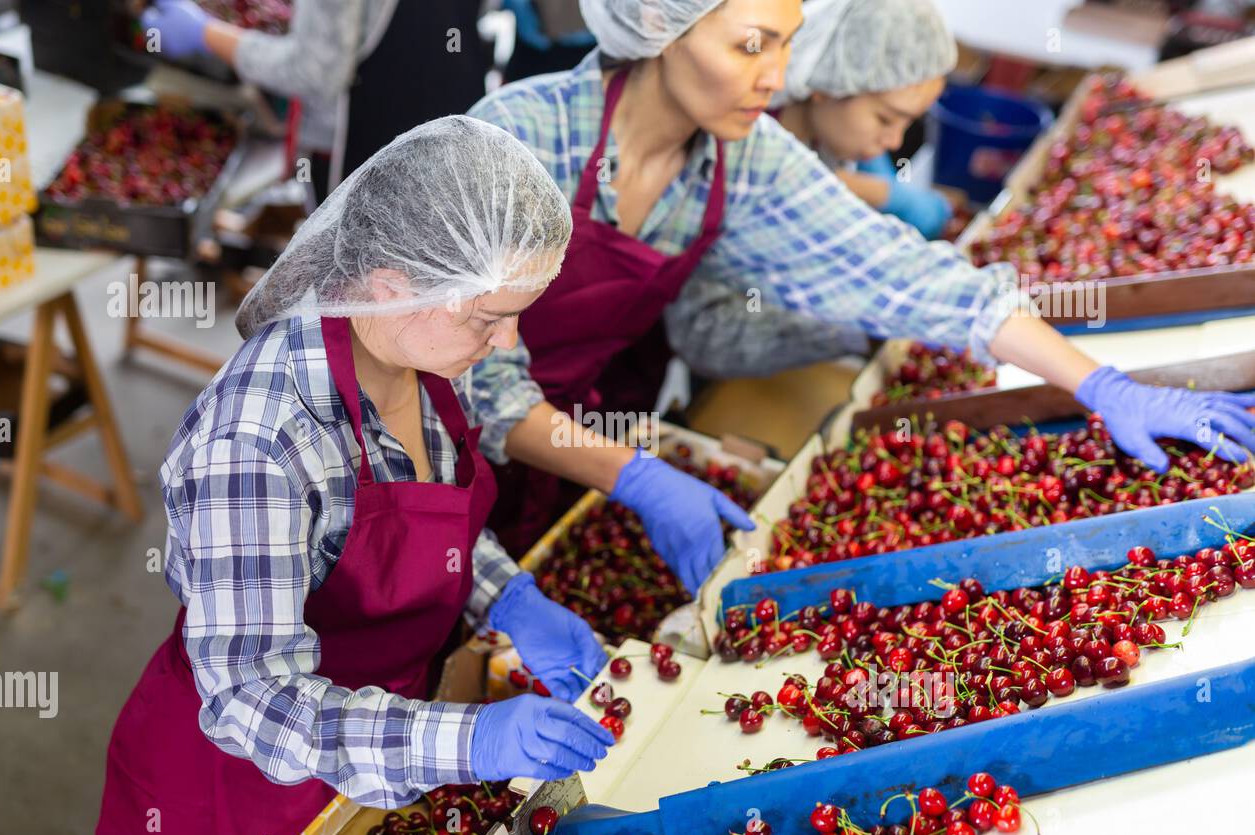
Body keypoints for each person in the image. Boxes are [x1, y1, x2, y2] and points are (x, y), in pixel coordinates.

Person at [467, 0, 1255, 555]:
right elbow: (478, 385)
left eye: (788, 41)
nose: (777, 76)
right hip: (432, 449)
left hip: (577, 434)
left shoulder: (739, 158)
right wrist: (633, 473)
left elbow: (901, 272)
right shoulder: (520, 140)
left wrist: (1103, 387)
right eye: (751, 46)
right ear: (658, 26)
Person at [95, 118, 618, 835]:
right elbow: (254, 699)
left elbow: (427, 525)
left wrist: (507, 596)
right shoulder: (259, 443)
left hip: (383, 752)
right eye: (491, 319)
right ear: (393, 284)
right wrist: (471, 740)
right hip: (241, 794)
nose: (506, 344)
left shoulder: (414, 356)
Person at [139, 0, 489, 201]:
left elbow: (313, 72)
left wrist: (206, 33)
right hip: (459, 130)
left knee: (359, 304)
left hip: (366, 153)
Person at [770, 0, 958, 239]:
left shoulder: (826, 134)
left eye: (909, 122)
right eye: (885, 119)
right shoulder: (748, 146)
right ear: (826, 84)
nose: (895, 142)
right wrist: (882, 193)